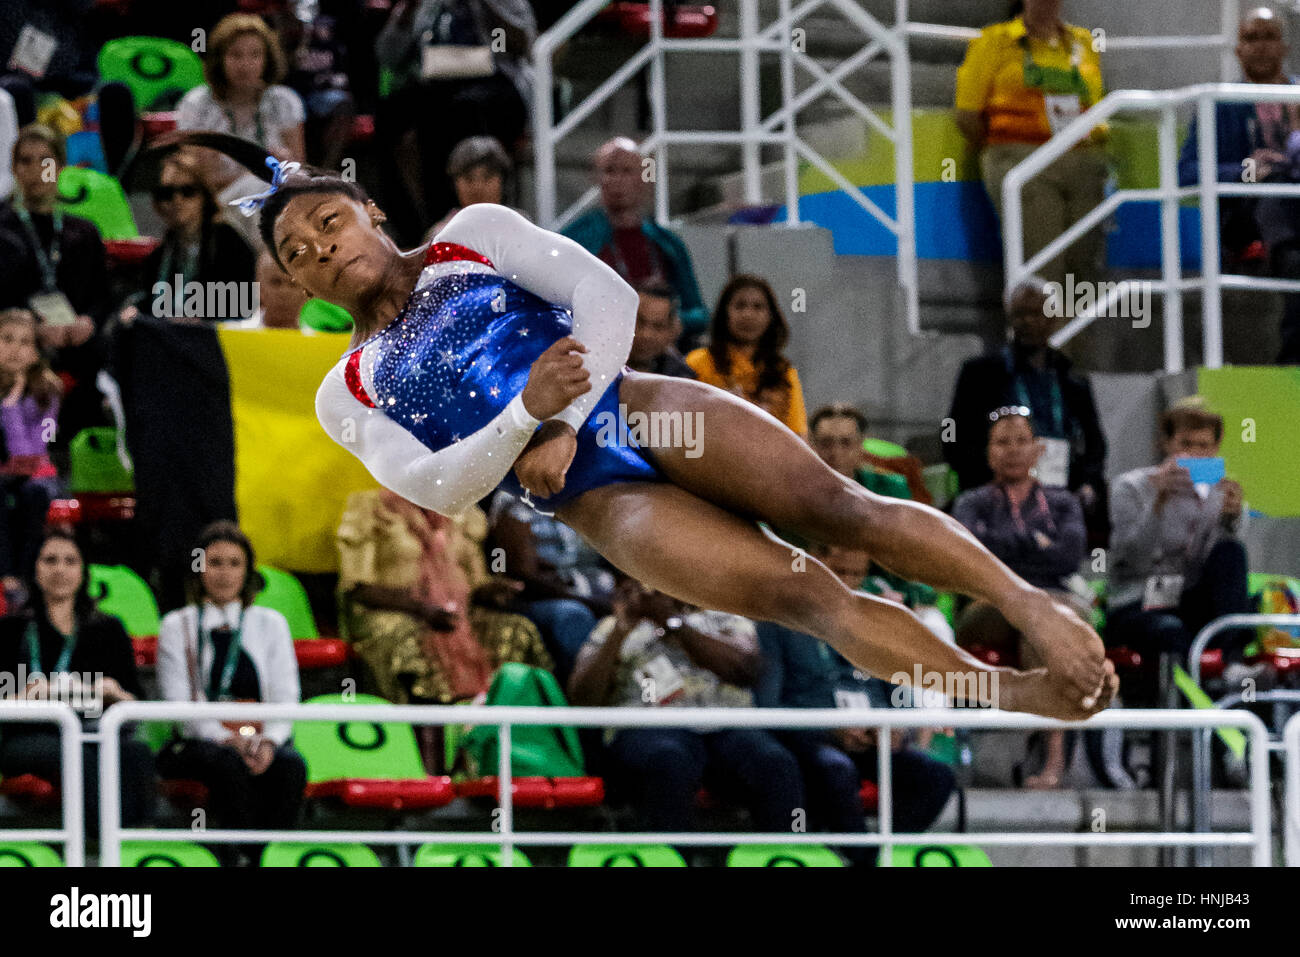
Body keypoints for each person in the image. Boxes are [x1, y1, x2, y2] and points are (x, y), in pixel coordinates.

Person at [182, 131, 1117, 722]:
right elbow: (439, 486)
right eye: (298, 253)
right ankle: (1011, 692)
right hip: (598, 498)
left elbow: (608, 297)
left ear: (370, 209)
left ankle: (1034, 607)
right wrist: (528, 418)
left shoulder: (473, 233)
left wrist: (565, 414)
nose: (323, 250)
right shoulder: (348, 383)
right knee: (810, 599)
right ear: (295, 283)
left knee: (845, 508)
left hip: (642, 407)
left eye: (331, 222)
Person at [755, 543, 957, 865]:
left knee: (935, 777)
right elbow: (767, 705)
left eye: (857, 574)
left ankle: (885, 855)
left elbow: (897, 695)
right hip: (810, 739)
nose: (847, 582)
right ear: (814, 562)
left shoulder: (874, 622)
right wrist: (829, 728)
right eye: (839, 572)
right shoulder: (778, 619)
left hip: (872, 737)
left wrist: (895, 729)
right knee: (837, 770)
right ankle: (865, 860)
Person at [568, 576, 805, 835]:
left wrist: (673, 623)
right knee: (669, 759)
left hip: (726, 725)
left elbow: (745, 670)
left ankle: (784, 855)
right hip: (648, 725)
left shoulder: (726, 619)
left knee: (775, 762)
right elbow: (582, 698)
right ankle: (673, 859)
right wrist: (621, 630)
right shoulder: (613, 626)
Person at [952, 406, 1090, 787]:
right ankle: (1051, 755)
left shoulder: (1063, 502)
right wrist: (1036, 542)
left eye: (1020, 441)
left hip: (1054, 603)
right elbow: (971, 556)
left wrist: (1009, 549)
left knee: (1043, 622)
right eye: (1002, 442)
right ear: (988, 452)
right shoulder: (970, 502)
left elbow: (1069, 556)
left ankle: (1050, 754)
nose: (1012, 450)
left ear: (1038, 449)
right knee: (1040, 616)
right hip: (987, 607)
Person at [155, 520, 306, 860]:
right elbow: (180, 706)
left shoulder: (271, 624)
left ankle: (268, 856)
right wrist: (229, 739)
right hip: (200, 743)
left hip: (259, 737)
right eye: (215, 562)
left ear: (247, 572)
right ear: (199, 568)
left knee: (290, 765)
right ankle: (241, 854)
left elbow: (286, 696)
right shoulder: (176, 625)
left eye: (234, 564)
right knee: (226, 763)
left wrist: (268, 742)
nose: (224, 573)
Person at [0, 527, 155, 831]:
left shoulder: (109, 629)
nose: (60, 569)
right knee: (76, 751)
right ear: (35, 569)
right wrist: (26, 697)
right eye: (50, 560)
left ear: (84, 571)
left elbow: (137, 702)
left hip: (96, 727)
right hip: (27, 737)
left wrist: (115, 693)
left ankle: (135, 843)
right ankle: (97, 847)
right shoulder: (10, 629)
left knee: (136, 753)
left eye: (71, 561)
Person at [336, 488, 551, 705]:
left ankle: (509, 725)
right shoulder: (371, 508)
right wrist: (422, 609)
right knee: (411, 642)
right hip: (390, 610)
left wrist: (492, 590)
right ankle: (423, 732)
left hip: (455, 613)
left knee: (517, 630)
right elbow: (358, 587)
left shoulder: (461, 509)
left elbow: (475, 581)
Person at [955, 0, 1108, 296]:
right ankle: (1039, 341)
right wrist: (1007, 143)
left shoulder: (1084, 42)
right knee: (1042, 267)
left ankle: (1072, 342)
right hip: (1022, 160)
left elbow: (1095, 105)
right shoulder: (994, 41)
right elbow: (967, 116)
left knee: (1084, 272)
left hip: (1081, 161)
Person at [1105, 399, 1251, 705]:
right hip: (1138, 601)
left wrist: (1233, 518)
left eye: (1204, 446)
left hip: (1190, 597)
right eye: (1186, 444)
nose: (1195, 454)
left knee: (1232, 552)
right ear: (1167, 444)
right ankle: (1183, 721)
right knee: (1171, 631)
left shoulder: (1220, 492)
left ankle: (1231, 664)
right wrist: (1157, 505)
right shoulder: (1131, 487)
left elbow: (1223, 562)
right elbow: (1129, 557)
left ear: (1216, 449)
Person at [945, 277, 1109, 545]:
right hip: (997, 492)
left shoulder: (1073, 379)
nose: (1028, 322)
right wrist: (989, 482)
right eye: (1020, 314)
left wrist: (1089, 482)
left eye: (1037, 313)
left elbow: (1096, 442)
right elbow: (952, 436)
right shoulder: (979, 373)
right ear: (1009, 318)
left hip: (1062, 489)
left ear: (1054, 317)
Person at [1177, 8, 1300, 363]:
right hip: (1251, 218)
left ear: (1285, 47)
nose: (1261, 47)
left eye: (1269, 37)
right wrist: (1247, 170)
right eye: (1251, 38)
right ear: (1238, 50)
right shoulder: (1221, 102)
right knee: (1294, 260)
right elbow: (1187, 172)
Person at [0, 124, 110, 461]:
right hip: (15, 351)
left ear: (61, 167)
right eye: (25, 161)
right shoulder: (2, 228)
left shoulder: (84, 232)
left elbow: (101, 295)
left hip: (76, 348)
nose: (36, 171)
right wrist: (31, 330)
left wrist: (88, 322)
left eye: (45, 161)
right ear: (14, 168)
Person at [375, 0, 534, 228]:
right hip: (436, 84)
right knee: (389, 114)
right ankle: (411, 228)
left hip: (496, 82)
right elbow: (388, 57)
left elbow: (522, 44)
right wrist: (407, 12)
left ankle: (468, 216)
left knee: (459, 110)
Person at [808, 404, 952, 643]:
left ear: (861, 447)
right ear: (811, 446)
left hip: (890, 592)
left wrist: (901, 596)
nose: (835, 453)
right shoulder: (794, 492)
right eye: (826, 443)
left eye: (846, 443)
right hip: (818, 595)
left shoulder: (890, 489)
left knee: (935, 628)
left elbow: (909, 553)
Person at [177, 14, 306, 249]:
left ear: (267, 60)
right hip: (220, 205)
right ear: (219, 58)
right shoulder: (196, 105)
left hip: (278, 204)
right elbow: (202, 180)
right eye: (235, 55)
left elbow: (299, 171)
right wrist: (256, 173)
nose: (245, 64)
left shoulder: (284, 101)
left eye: (255, 55)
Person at [562, 137, 709, 337]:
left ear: (643, 177)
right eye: (610, 171)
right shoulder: (574, 239)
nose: (618, 180)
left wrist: (668, 323)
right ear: (596, 178)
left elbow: (698, 312)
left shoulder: (667, 243)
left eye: (627, 171)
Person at [121, 148, 256, 324]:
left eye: (187, 191)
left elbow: (243, 311)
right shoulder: (160, 255)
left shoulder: (230, 245)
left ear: (204, 196)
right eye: (166, 194)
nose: (177, 200)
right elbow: (150, 304)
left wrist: (202, 322)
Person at [686, 274, 808, 437]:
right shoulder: (698, 362)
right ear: (725, 313)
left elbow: (798, 436)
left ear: (771, 316)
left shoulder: (784, 372)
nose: (748, 315)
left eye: (758, 307)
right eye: (740, 306)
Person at [0, 308, 64, 604]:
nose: (15, 348)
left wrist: (11, 406)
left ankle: (25, 579)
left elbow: (31, 452)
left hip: (37, 477)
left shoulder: (49, 395)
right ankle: (5, 575)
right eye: (7, 339)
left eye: (25, 342)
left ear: (36, 352)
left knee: (33, 495)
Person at [428, 136, 519, 238]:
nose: (478, 187)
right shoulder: (441, 235)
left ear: (503, 181)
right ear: (454, 183)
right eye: (468, 178)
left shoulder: (520, 226)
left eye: (487, 177)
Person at [627, 282, 696, 378]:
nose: (646, 335)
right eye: (639, 322)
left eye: (658, 326)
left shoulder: (681, 379)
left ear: (673, 331)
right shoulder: (602, 362)